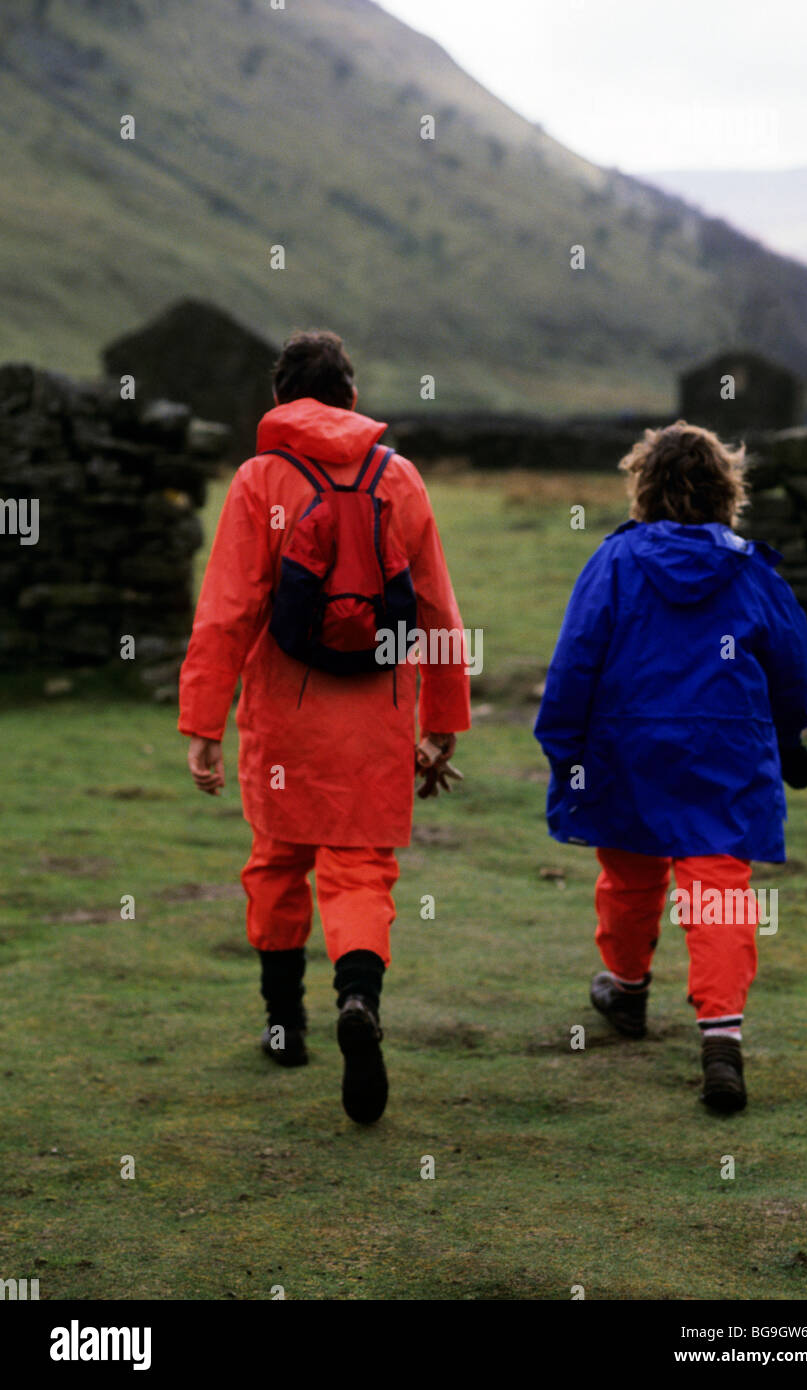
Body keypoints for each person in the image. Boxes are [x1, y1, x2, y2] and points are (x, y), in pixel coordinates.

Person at [179, 330, 470, 1124]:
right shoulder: (398, 476)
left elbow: (228, 608)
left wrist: (204, 718)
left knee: (276, 862)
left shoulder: (259, 479)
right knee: (359, 869)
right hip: (378, 715)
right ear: (350, 395)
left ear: (280, 400)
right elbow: (438, 606)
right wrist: (443, 716)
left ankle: (283, 1024)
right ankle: (357, 997)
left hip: (284, 714)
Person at [534, 421, 807, 1112]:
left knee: (629, 874)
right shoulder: (752, 569)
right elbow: (788, 667)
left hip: (627, 749)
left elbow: (576, 659)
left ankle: (626, 990)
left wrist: (562, 745)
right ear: (728, 490)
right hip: (726, 751)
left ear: (643, 485)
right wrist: (788, 740)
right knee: (716, 887)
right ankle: (721, 1040)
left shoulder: (614, 561)